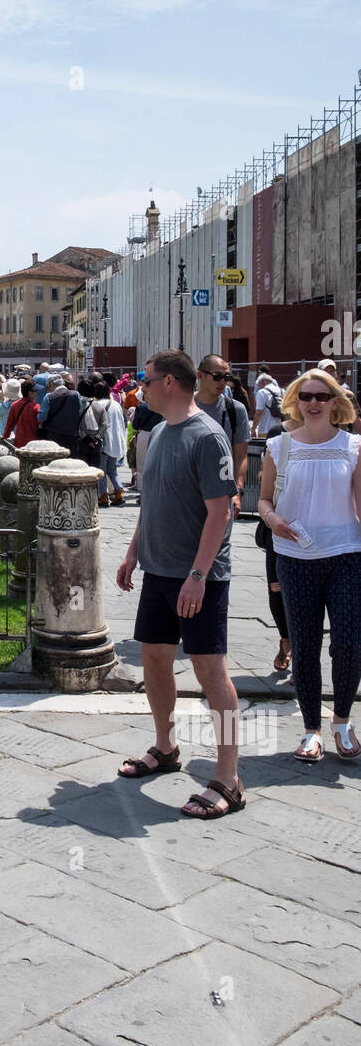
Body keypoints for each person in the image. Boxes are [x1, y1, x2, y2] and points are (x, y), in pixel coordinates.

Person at [116, 350, 243, 819]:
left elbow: (221, 512)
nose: (140, 387)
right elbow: (152, 502)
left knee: (211, 673)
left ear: (169, 382)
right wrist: (133, 552)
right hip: (159, 571)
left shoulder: (207, 436)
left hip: (198, 577)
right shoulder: (162, 432)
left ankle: (228, 779)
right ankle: (166, 747)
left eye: (146, 380)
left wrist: (198, 575)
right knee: (154, 658)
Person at [258, 369, 361, 762]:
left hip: (347, 554)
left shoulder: (353, 446)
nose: (313, 402)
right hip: (295, 557)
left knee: (350, 643)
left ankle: (342, 720)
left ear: (336, 401)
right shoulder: (279, 446)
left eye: (321, 395)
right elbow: (264, 499)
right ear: (295, 402)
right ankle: (311, 730)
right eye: (306, 396)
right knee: (304, 645)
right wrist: (273, 520)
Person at [195, 354, 250, 519]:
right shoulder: (183, 406)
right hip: (187, 491)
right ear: (200, 375)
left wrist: (237, 491)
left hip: (221, 493)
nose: (222, 382)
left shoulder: (235, 410)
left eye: (226, 377)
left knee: (220, 543)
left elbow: (240, 456)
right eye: (217, 376)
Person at [98, 380, 128, 506]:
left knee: (102, 470)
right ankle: (119, 491)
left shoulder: (98, 404)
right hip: (116, 441)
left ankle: (103, 496)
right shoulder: (115, 404)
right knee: (112, 469)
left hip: (104, 441)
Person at [42, 374, 82, 454]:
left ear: (51, 384)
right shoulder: (76, 394)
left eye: (47, 387)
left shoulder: (48, 397)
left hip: (54, 435)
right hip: (72, 435)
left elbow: (41, 418)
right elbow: (79, 412)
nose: (47, 389)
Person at [3, 378, 40, 446]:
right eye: (35, 391)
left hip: (19, 441)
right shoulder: (36, 407)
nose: (37, 393)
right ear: (30, 393)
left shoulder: (14, 405)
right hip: (33, 443)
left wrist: (5, 436)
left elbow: (9, 424)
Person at [252, 367, 284, 437]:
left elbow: (259, 412)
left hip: (265, 430)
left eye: (258, 384)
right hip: (280, 429)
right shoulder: (282, 391)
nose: (258, 386)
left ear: (262, 382)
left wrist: (253, 429)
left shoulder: (262, 392)